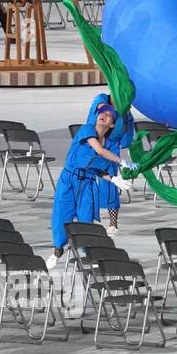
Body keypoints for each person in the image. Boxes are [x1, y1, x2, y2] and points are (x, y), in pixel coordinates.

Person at [48, 102, 133, 267]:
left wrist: (113, 179)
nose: (103, 115)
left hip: (87, 183)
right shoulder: (87, 130)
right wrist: (121, 161)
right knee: (62, 215)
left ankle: (89, 254)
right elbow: (99, 151)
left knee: (86, 219)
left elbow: (97, 169)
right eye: (102, 113)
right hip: (69, 180)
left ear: (112, 124)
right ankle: (58, 249)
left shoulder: (108, 144)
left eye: (108, 115)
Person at [87, 92, 134, 237]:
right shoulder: (102, 99)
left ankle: (113, 223)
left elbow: (126, 138)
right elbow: (99, 107)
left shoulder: (125, 114)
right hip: (93, 143)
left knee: (109, 185)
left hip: (111, 147)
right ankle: (86, 220)